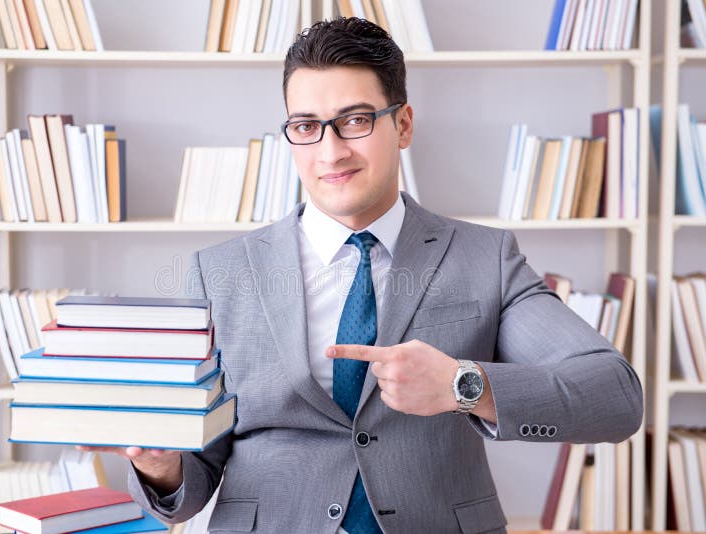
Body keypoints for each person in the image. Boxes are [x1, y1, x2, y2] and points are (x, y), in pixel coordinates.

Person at [89, 17, 643, 533]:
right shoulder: (219, 274)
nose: (330, 151)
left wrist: (460, 385)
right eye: (306, 126)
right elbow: (192, 481)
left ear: (402, 124)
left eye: (354, 120)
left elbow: (615, 397)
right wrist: (162, 466)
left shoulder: (484, 258)